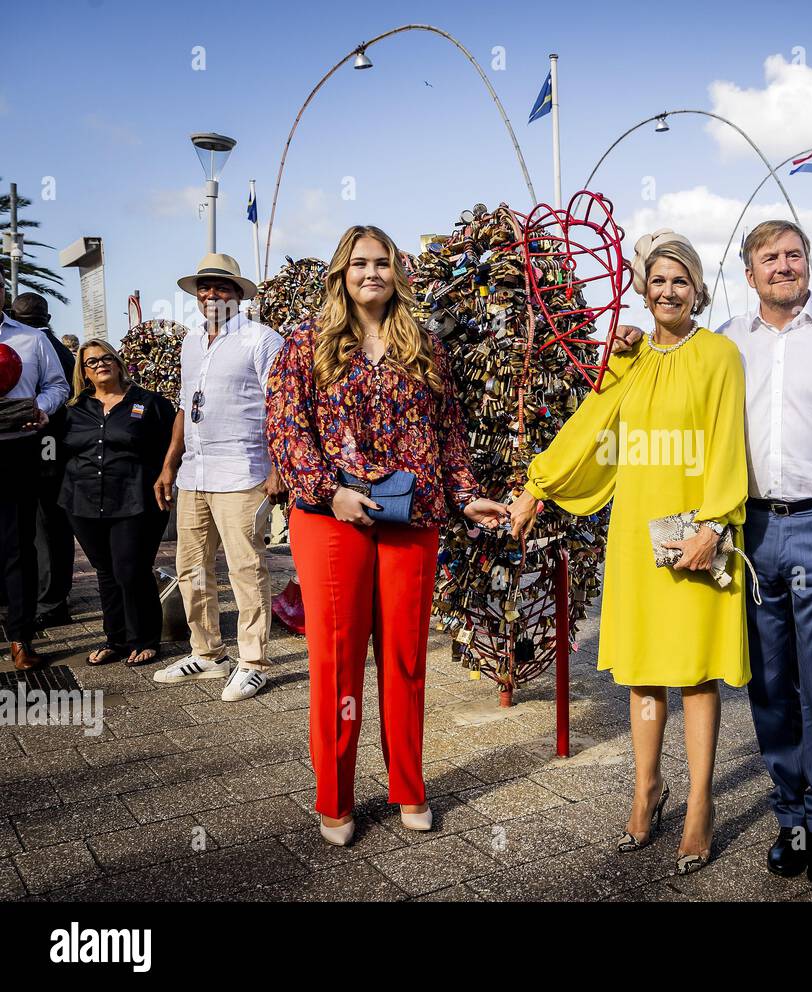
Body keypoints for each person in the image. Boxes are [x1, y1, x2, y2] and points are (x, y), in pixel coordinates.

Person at [613, 220, 812, 886]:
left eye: (794, 255)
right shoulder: (724, 341)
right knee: (770, 685)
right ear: (749, 275)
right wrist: (632, 347)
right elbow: (669, 376)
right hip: (746, 529)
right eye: (769, 258)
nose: (784, 266)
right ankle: (788, 816)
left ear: (807, 265)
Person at [510, 230, 749, 874]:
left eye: (681, 280)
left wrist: (715, 523)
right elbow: (592, 431)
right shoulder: (631, 357)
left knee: (696, 673)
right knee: (645, 671)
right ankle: (646, 787)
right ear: (642, 291)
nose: (668, 291)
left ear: (698, 289)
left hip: (698, 530)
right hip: (638, 531)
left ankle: (700, 803)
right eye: (658, 280)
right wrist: (537, 486)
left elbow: (730, 444)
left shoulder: (721, 355)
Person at [266, 225, 509, 846]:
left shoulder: (425, 346)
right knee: (336, 660)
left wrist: (466, 495)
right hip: (330, 518)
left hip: (412, 515)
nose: (371, 273)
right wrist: (329, 492)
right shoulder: (303, 345)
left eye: (382, 263)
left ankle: (408, 786)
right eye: (359, 263)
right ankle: (335, 798)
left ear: (397, 271)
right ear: (340, 273)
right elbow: (288, 433)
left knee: (403, 659)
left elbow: (449, 433)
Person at [150, 253, 286, 701]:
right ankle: (208, 653)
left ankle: (253, 661)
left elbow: (283, 407)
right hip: (195, 473)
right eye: (205, 287)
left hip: (243, 471)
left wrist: (280, 467)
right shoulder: (190, 342)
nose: (212, 294)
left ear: (239, 294)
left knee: (246, 568)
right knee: (192, 568)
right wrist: (171, 463)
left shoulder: (261, 339)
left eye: (221, 287)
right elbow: (186, 409)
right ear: (196, 294)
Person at [60, 339, 174, 666]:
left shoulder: (149, 403)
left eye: (106, 358)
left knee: (131, 568)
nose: (100, 365)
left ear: (119, 363)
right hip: (82, 500)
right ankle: (116, 639)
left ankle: (145, 638)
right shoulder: (74, 408)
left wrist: (168, 475)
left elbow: (174, 446)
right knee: (105, 571)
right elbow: (60, 451)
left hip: (135, 498)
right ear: (83, 371)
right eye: (92, 362)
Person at [0, 279, 70, 671]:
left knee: (18, 546)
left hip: (17, 450)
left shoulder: (31, 339)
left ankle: (20, 637)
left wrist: (42, 408)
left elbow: (58, 384)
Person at [11, 293, 77, 631]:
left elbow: (62, 393)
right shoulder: (53, 344)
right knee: (40, 525)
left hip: (45, 448)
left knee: (46, 524)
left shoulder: (41, 346)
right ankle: (44, 595)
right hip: (38, 448)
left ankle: (52, 600)